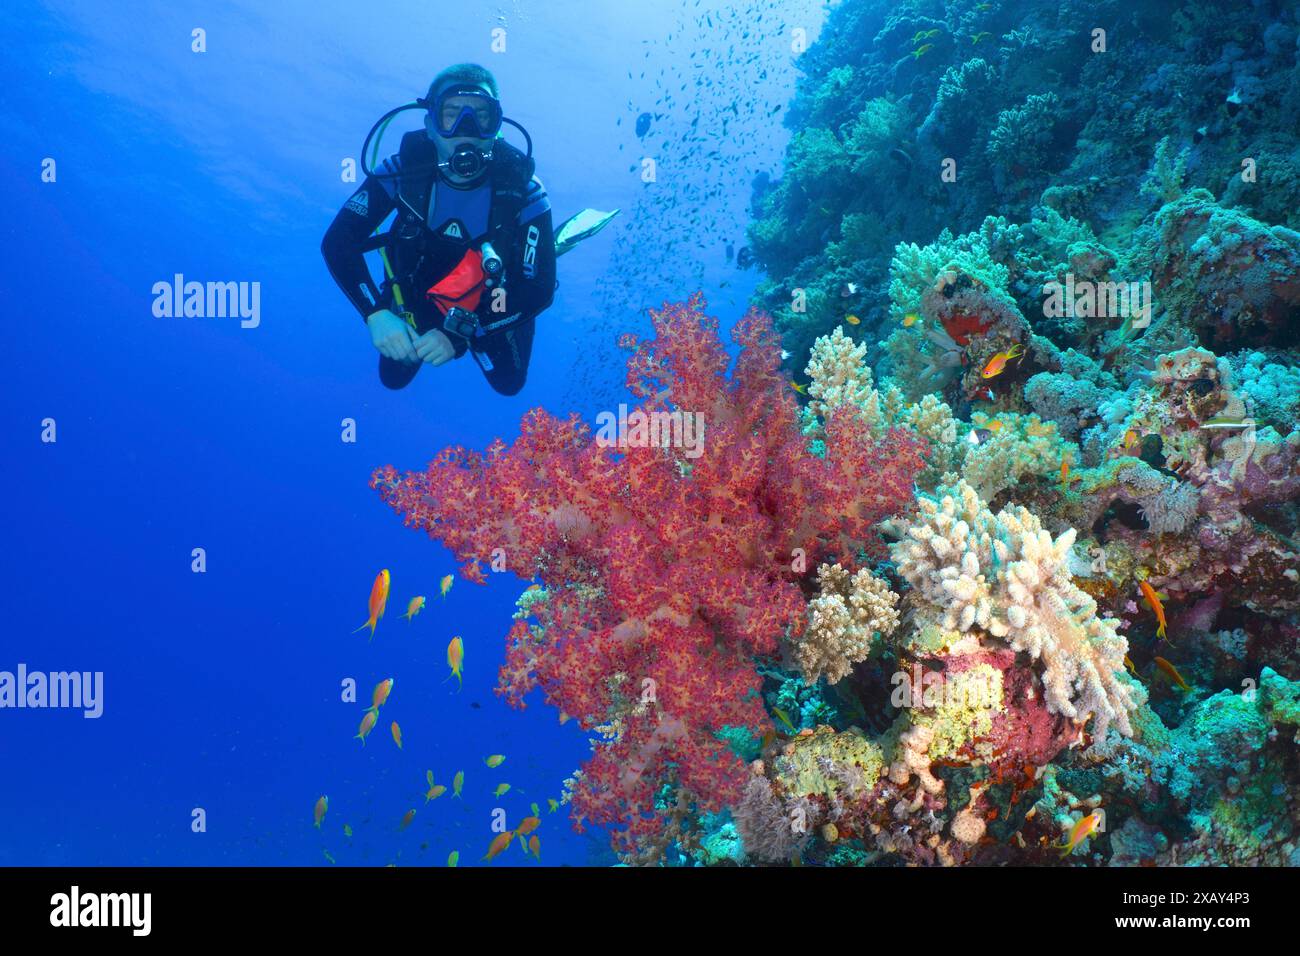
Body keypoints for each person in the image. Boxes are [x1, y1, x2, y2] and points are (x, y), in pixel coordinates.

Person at [322, 64, 556, 395]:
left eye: (481, 115)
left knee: (508, 384)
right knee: (393, 378)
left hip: (486, 302)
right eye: (451, 113)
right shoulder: (402, 171)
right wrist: (374, 313)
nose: (467, 128)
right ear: (430, 124)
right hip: (415, 288)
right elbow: (338, 242)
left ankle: (538, 251)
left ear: (496, 126)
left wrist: (462, 333)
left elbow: (540, 289)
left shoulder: (524, 190)